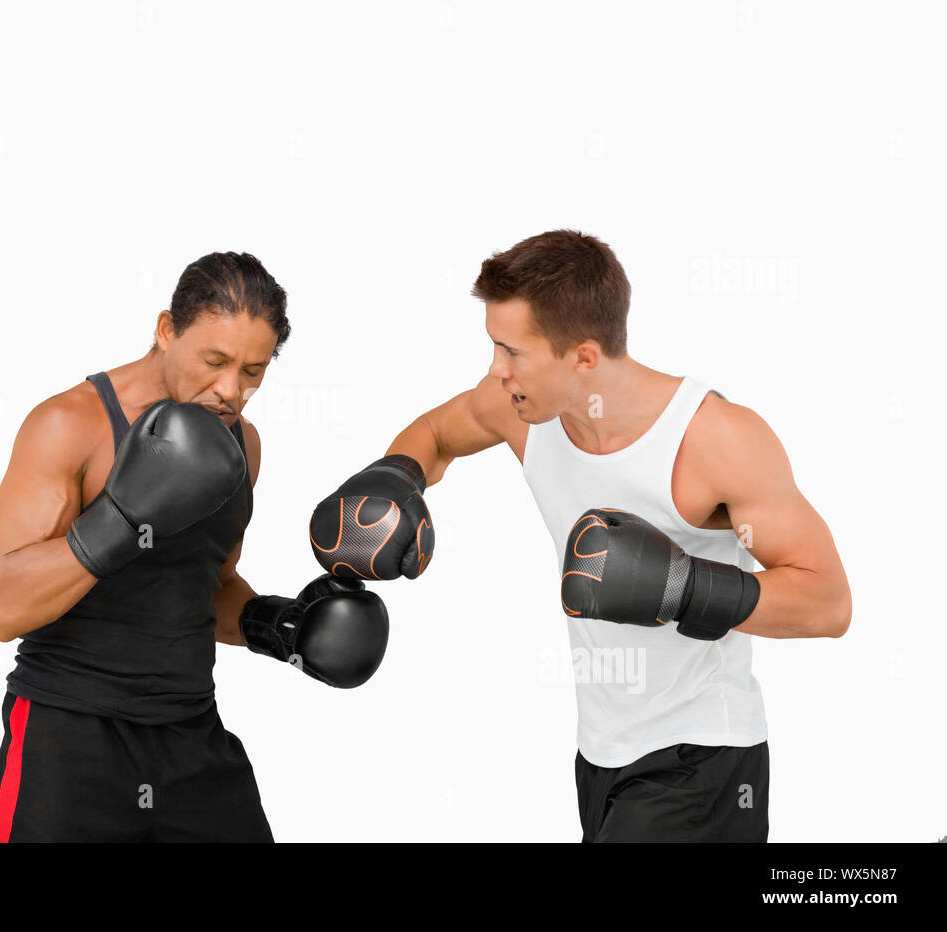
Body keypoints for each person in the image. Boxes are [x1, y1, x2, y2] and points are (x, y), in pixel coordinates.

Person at [310, 229, 852, 842]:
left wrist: (684, 588)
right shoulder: (520, 411)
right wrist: (395, 479)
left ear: (584, 358)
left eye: (513, 352)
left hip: (703, 755)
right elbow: (437, 434)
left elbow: (828, 602)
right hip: (600, 755)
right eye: (493, 346)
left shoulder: (714, 439)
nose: (497, 370)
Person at [0, 251, 389, 842]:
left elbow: (208, 585)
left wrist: (279, 626)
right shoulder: (70, 425)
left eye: (253, 371)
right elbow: (3, 606)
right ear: (167, 329)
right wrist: (118, 519)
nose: (229, 390)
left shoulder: (241, 445)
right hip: (67, 736)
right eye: (214, 360)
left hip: (189, 734)